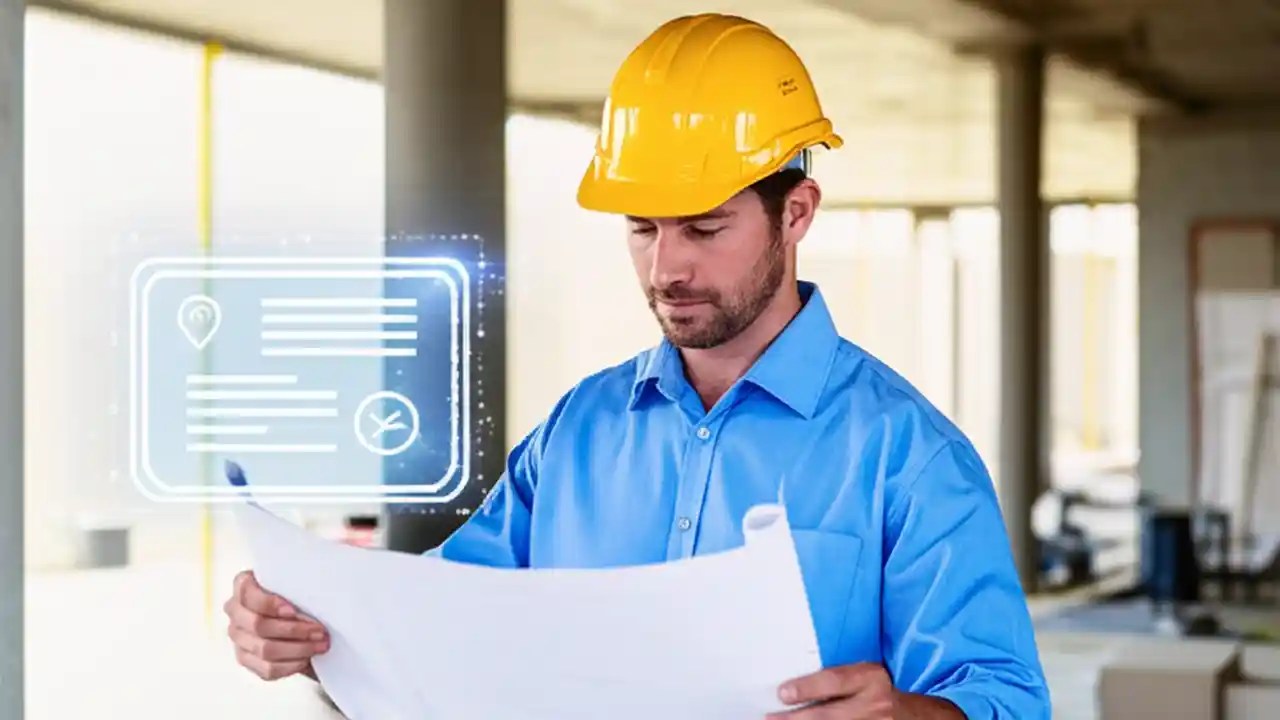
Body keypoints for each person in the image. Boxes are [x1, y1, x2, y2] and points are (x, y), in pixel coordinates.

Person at [224, 13, 1052, 719]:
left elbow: (1007, 701)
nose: (666, 270)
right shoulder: (576, 435)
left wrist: (909, 714)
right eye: (643, 229)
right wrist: (311, 632)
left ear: (795, 213)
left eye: (702, 228)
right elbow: (439, 632)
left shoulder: (906, 456)